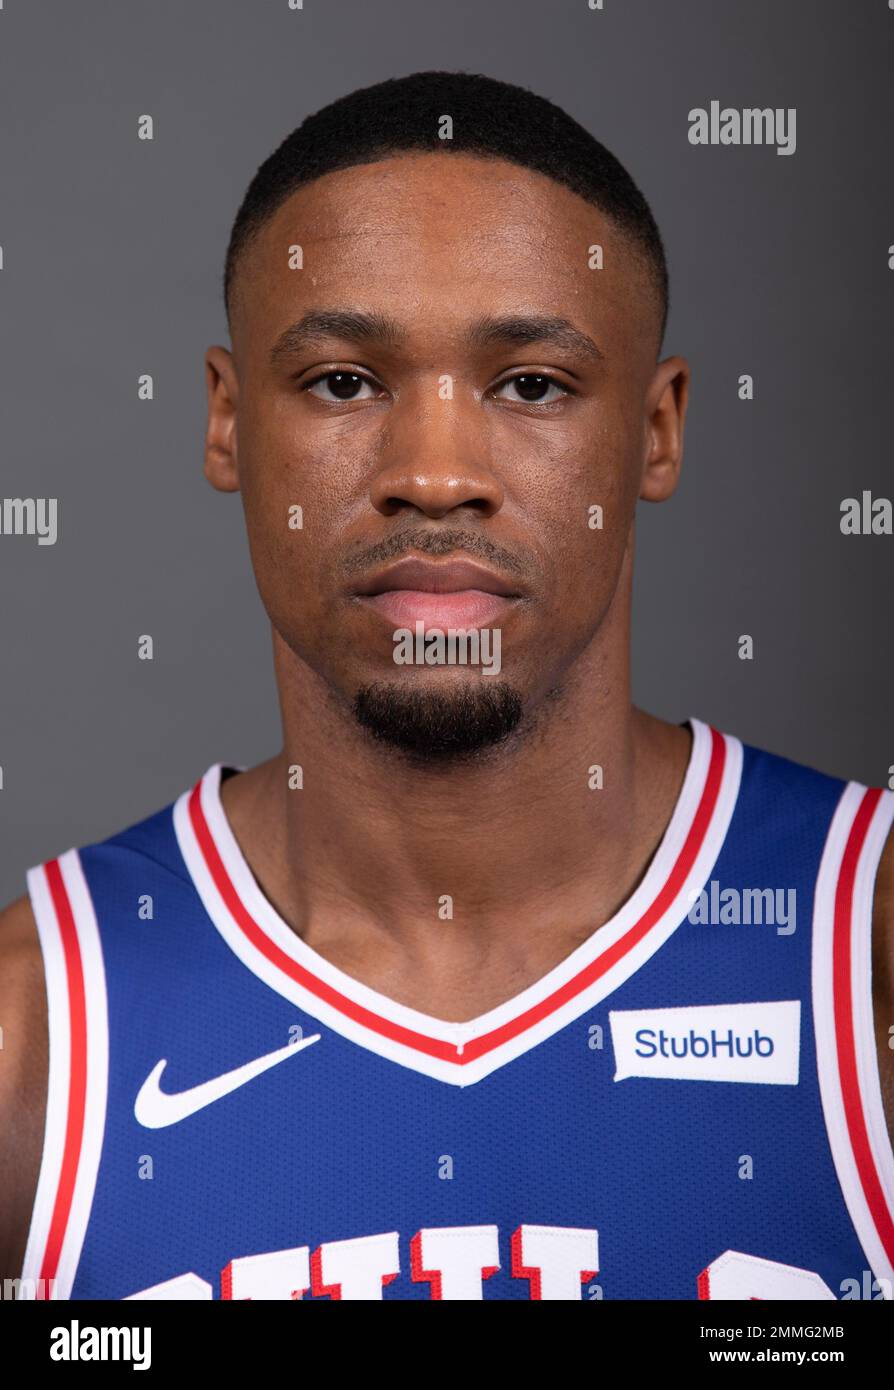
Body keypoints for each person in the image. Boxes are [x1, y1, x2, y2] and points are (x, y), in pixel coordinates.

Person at [1, 70, 892, 1301]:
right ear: (224, 422)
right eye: (344, 382)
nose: (432, 475)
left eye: (530, 384)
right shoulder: (34, 1030)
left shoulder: (866, 951)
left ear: (657, 429)